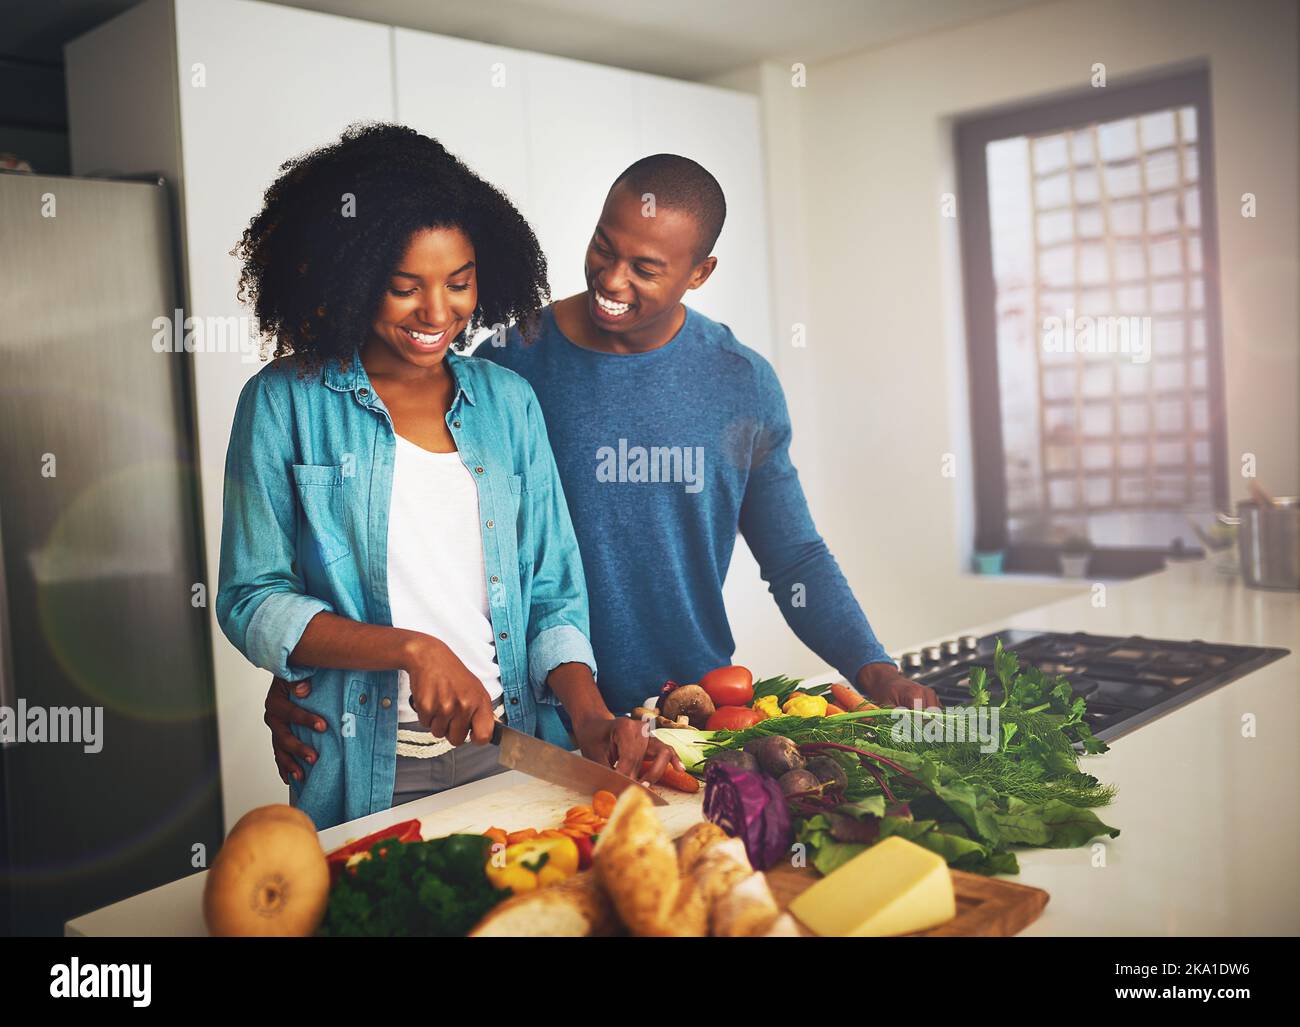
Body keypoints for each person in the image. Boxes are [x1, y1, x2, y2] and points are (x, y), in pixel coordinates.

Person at [265, 152, 937, 783]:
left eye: (645, 268)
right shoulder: (509, 364)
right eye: (603, 249)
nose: (612, 280)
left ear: (699, 272)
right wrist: (313, 668)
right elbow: (420, 548)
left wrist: (875, 670)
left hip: (690, 715)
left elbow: (795, 557)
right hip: (542, 721)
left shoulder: (741, 384)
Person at [217, 123, 678, 830]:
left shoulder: (507, 402)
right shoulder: (284, 403)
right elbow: (252, 598)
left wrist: (589, 716)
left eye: (459, 283)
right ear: (351, 279)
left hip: (515, 749)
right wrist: (412, 650)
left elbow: (552, 592)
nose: (438, 313)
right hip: (363, 768)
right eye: (404, 288)